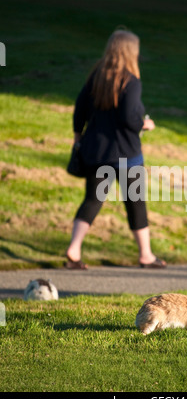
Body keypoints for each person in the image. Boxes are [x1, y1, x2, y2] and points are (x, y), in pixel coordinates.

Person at [65, 29, 167, 270]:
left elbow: (79, 108)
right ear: (131, 52)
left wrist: (78, 137)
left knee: (93, 200)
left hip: (97, 153)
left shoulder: (96, 76)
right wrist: (145, 124)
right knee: (135, 202)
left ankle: (74, 248)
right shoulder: (131, 81)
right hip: (127, 156)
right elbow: (128, 116)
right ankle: (146, 255)